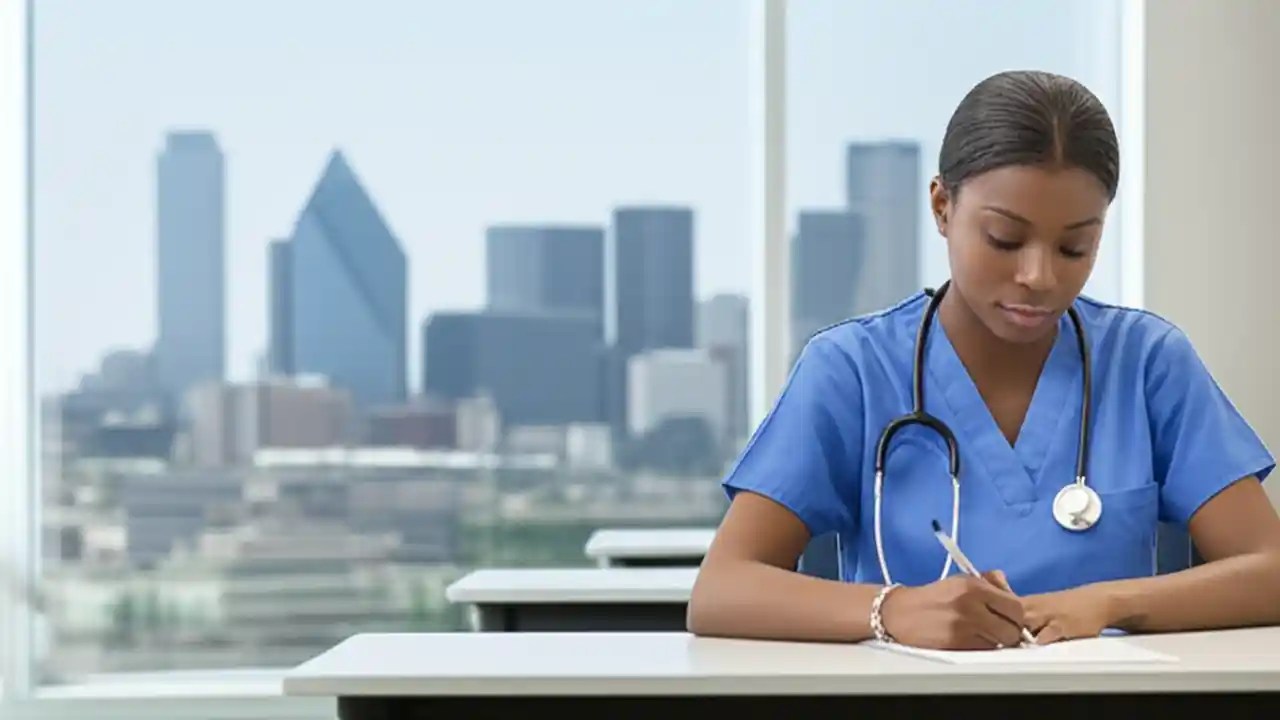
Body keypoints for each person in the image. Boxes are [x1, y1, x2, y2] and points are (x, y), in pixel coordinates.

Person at [687, 69, 1280, 651]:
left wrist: (1109, 602)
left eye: (1074, 247)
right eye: (1004, 239)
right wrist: (891, 610)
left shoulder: (1147, 364)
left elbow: (1270, 569)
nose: (1039, 276)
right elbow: (721, 591)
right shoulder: (852, 369)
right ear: (942, 206)